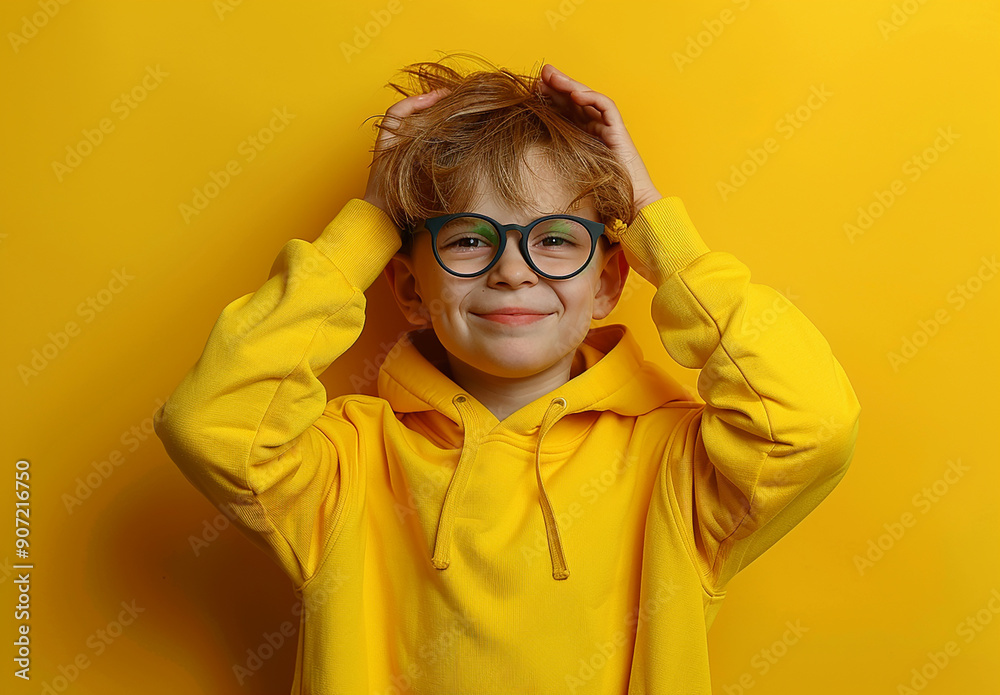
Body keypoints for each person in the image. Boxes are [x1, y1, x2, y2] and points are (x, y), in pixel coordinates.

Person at [154, 52, 861, 694]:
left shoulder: (674, 465)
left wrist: (654, 226)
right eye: (469, 238)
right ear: (406, 289)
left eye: (556, 238)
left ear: (611, 282)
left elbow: (810, 422)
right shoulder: (347, 462)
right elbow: (211, 421)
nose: (513, 269)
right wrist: (368, 222)